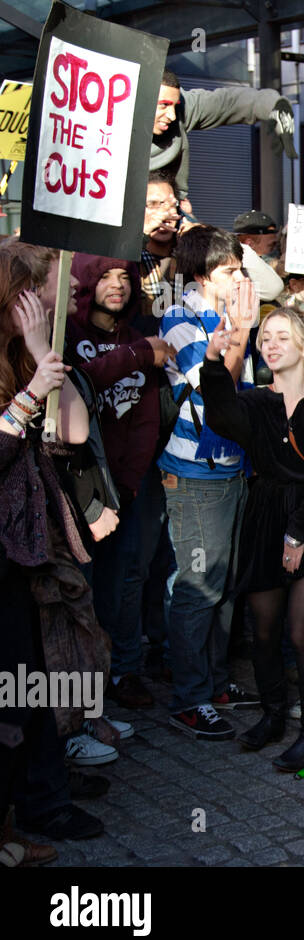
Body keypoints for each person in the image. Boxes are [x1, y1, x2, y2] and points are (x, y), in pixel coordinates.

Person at [199, 307, 304, 771]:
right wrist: (213, 360)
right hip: (265, 515)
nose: (270, 344)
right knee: (262, 628)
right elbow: (221, 417)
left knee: (302, 631)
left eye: (281, 337)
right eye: (265, 337)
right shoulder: (256, 401)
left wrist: (298, 533)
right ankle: (271, 717)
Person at [0, 240, 107, 843]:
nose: (70, 288)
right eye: (54, 281)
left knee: (44, 665)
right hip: (5, 546)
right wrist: (32, 388)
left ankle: (43, 789)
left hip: (34, 536)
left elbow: (72, 430)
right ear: (22, 295)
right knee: (17, 678)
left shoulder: (35, 352)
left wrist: (44, 355)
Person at [158, 226, 262, 741]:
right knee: (198, 588)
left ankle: (218, 685)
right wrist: (240, 332)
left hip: (233, 466)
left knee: (225, 586)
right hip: (195, 473)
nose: (241, 278)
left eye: (241, 268)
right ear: (201, 275)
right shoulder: (180, 318)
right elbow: (218, 387)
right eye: (229, 271)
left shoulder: (231, 314)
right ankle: (189, 699)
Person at [66, 253, 175, 710]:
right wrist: (136, 355)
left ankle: (126, 670)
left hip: (130, 483)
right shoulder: (69, 336)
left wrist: (126, 484)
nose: (118, 286)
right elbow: (78, 383)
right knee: (82, 581)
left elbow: (147, 417)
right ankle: (83, 687)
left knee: (129, 576)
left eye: (125, 277)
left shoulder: (136, 337)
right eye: (106, 276)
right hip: (79, 484)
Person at [151, 69, 296, 207]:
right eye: (163, 105)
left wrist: (274, 105)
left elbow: (227, 102)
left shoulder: (184, 108)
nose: (172, 115)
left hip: (171, 208)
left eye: (174, 106)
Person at [139, 172, 182, 328]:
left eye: (169, 205)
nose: (163, 214)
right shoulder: (128, 259)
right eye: (153, 204)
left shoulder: (189, 257)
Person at [232, 210, 285, 305]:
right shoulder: (239, 269)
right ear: (249, 244)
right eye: (271, 245)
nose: (275, 251)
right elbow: (274, 288)